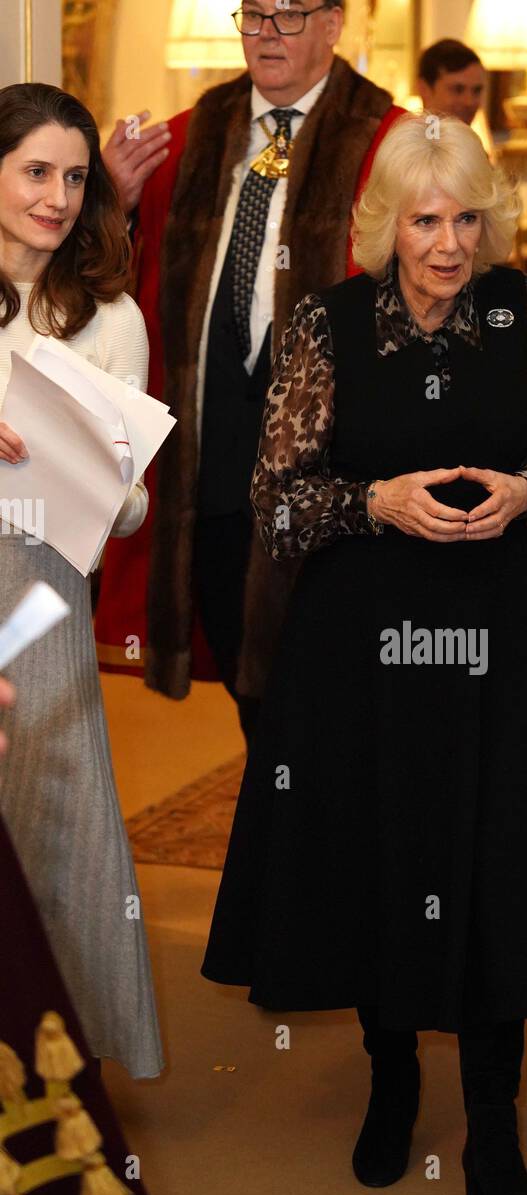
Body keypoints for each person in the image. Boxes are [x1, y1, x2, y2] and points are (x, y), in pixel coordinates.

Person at [201, 113, 527, 1195]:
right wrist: (374, 501)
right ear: (388, 224)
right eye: (427, 218)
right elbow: (276, 501)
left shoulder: (524, 313)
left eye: (468, 216)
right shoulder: (326, 324)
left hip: (493, 639)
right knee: (379, 849)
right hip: (359, 645)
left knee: (495, 859)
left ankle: (497, 1134)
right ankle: (390, 1081)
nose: (451, 243)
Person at [93, 0, 404, 747]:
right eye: (253, 14)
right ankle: (283, 846)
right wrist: (113, 207)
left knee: (339, 694)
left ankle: (329, 852)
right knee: (249, 683)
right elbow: (105, 293)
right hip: (219, 472)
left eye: (289, 16)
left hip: (338, 476)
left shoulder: (394, 143)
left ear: (334, 23)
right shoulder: (187, 139)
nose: (266, 33)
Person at [0, 83, 163, 1080]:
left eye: (72, 176)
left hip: (43, 592)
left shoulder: (107, 316)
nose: (57, 197)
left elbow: (133, 506)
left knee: (50, 838)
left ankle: (53, 1073)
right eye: (34, 172)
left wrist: (95, 475)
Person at [417, 39, 486, 127]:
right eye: (458, 90)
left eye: (476, 91)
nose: (469, 102)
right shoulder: (402, 139)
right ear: (424, 89)